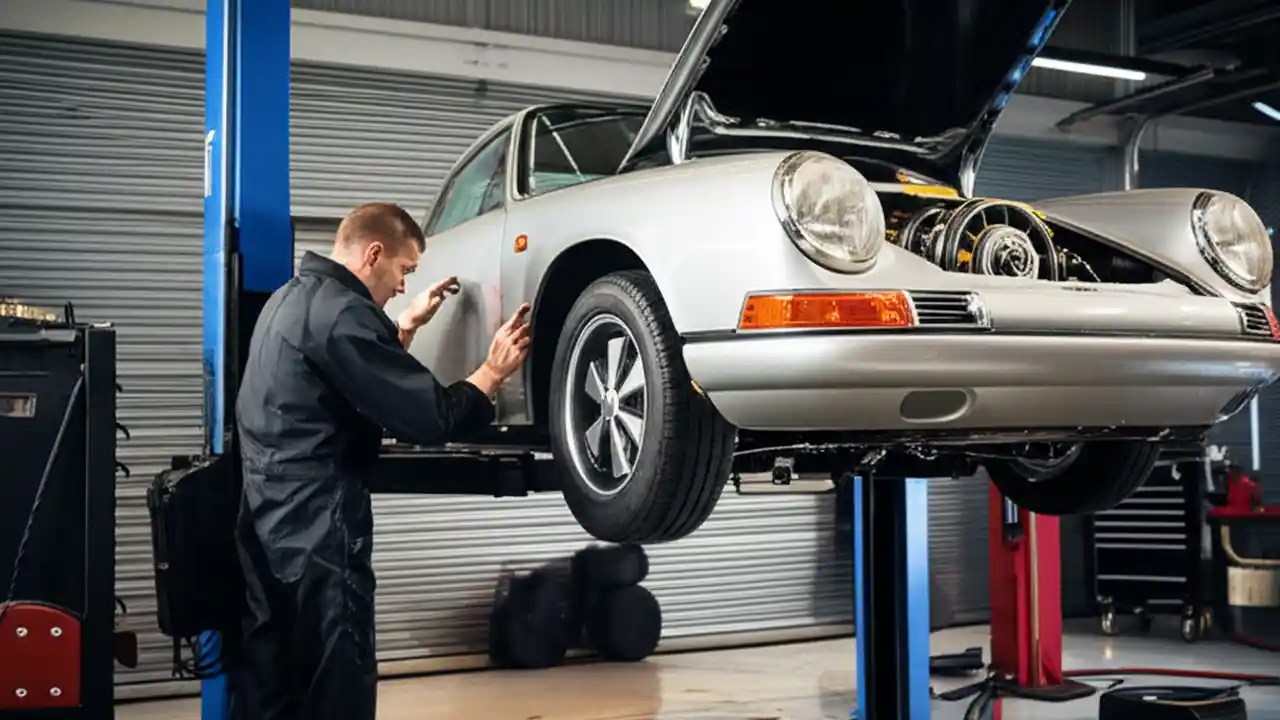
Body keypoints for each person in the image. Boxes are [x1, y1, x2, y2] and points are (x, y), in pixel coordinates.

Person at [229, 202, 531, 720]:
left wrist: (400, 330)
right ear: (374, 254)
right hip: (319, 530)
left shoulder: (288, 299)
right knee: (336, 674)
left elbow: (338, 376)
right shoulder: (343, 314)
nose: (401, 286)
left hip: (266, 523)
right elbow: (431, 418)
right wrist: (490, 373)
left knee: (272, 678)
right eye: (404, 271)